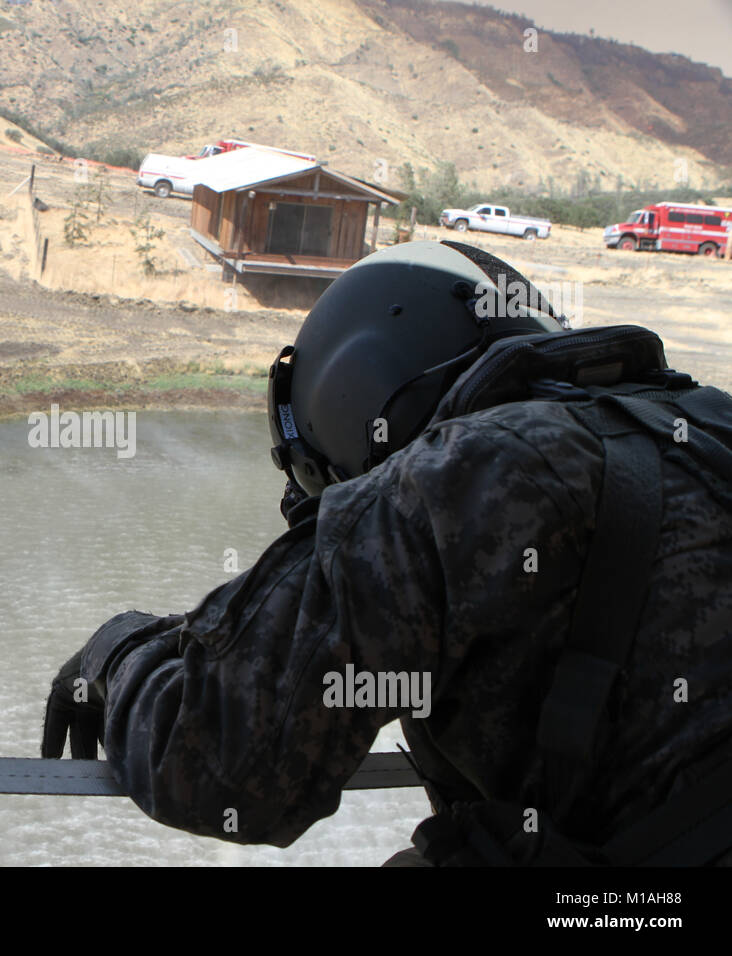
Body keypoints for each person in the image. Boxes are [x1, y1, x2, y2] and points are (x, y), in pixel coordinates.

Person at [41, 240, 732, 866]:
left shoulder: (460, 471)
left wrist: (117, 648)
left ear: (360, 385)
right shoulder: (706, 423)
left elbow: (217, 761)